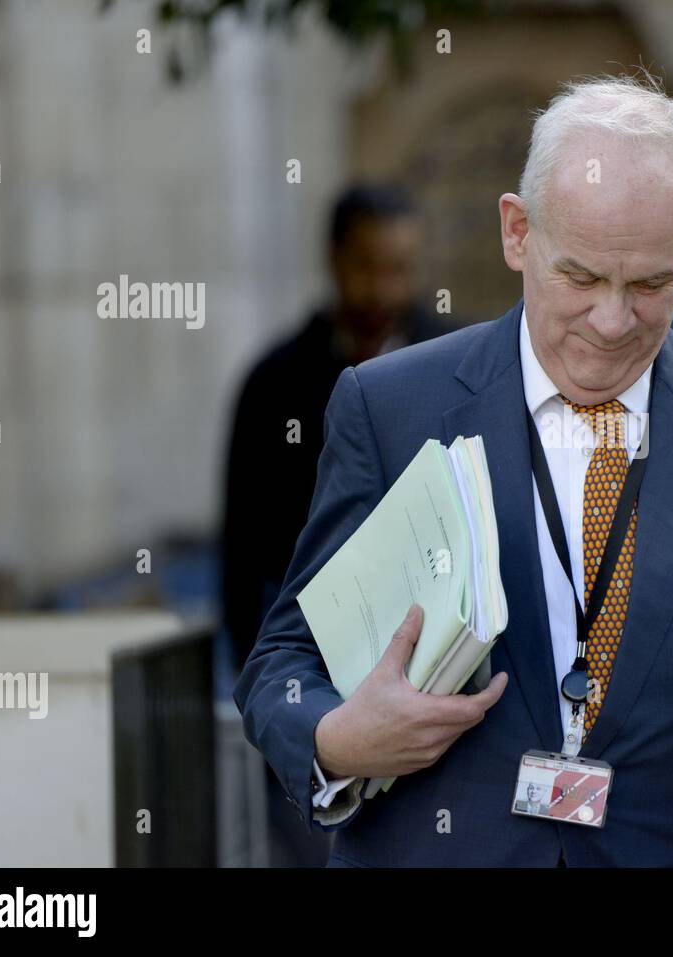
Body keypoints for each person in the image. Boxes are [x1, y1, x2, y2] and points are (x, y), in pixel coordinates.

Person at [234, 74, 673, 867]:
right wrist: (338, 738)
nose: (613, 322)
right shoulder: (388, 407)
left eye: (651, 284)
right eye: (579, 277)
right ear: (517, 231)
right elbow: (284, 662)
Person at [221, 182, 444, 866]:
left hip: (439, 669)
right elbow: (240, 557)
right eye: (367, 265)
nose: (383, 287)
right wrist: (275, 704)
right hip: (316, 679)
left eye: (400, 267)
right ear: (333, 259)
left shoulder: (454, 364)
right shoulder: (275, 382)